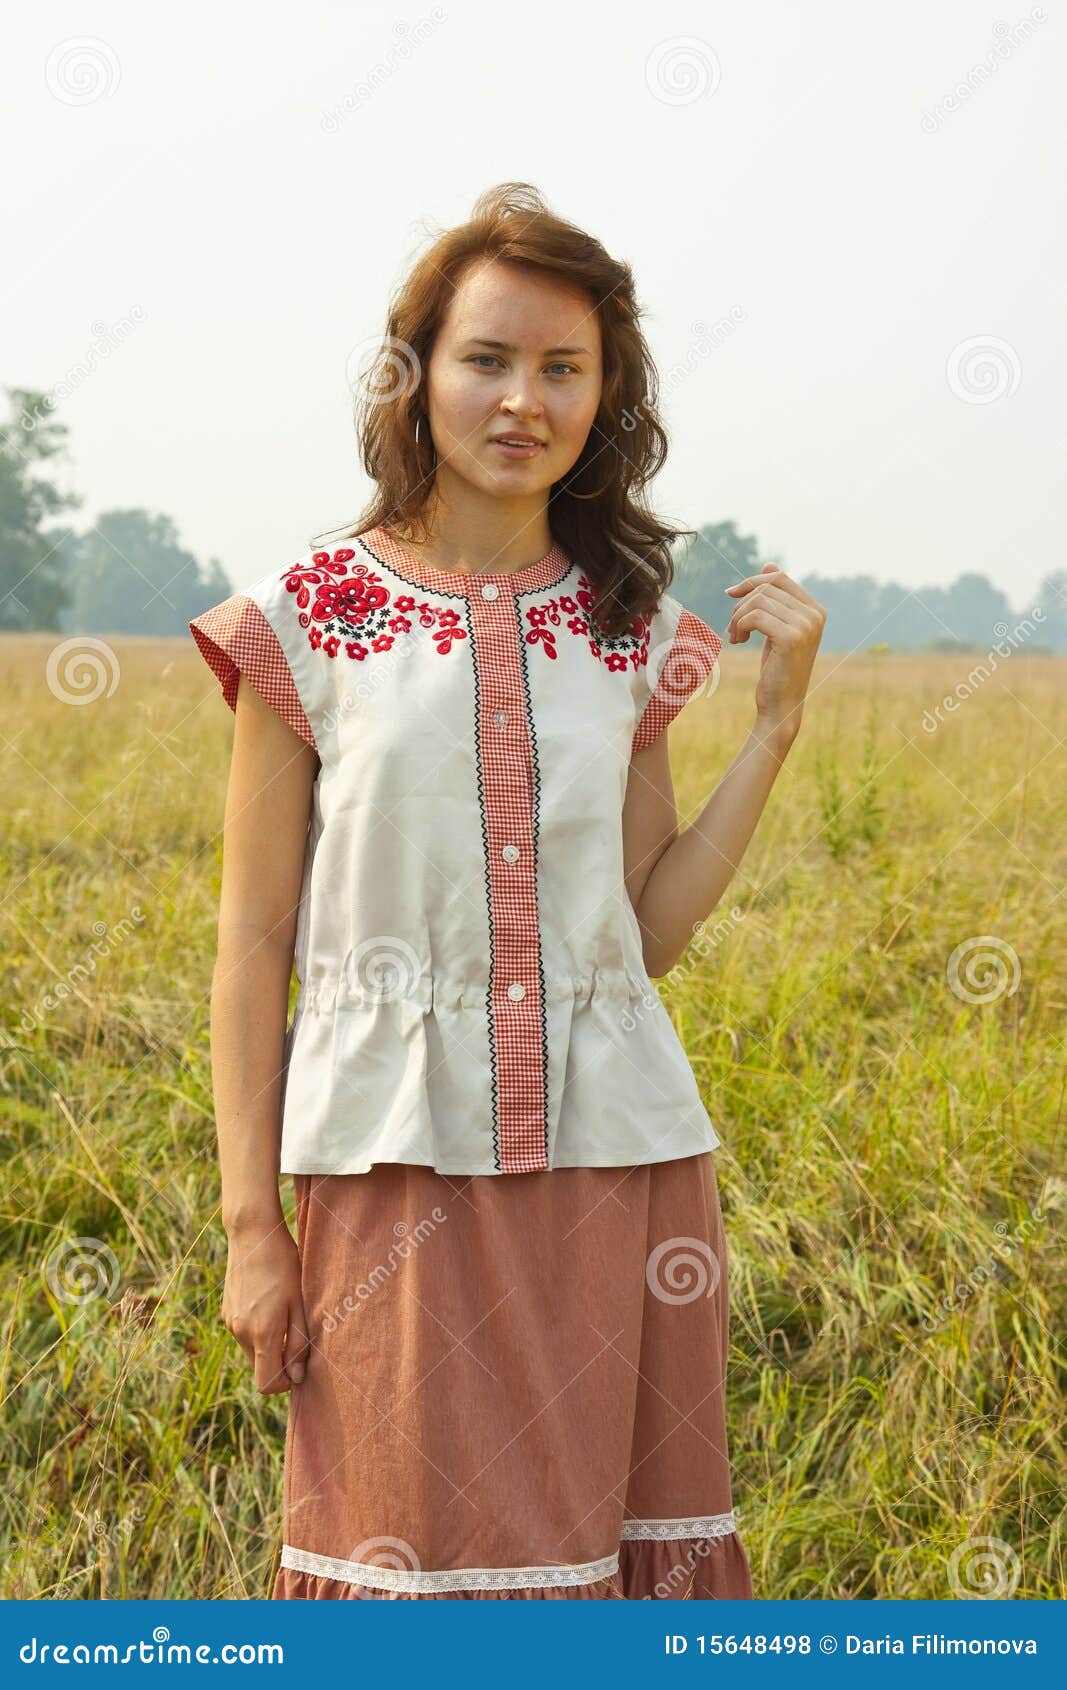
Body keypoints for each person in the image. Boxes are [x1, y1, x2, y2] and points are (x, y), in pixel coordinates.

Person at [188, 182, 825, 1600]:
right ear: (416, 379)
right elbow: (251, 947)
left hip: (622, 1168)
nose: (521, 399)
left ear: (608, 396)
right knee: (399, 1578)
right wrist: (251, 1230)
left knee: (610, 1568)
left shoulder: (629, 634)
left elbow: (641, 934)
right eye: (486, 359)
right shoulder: (308, 620)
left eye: (563, 368)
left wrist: (772, 734)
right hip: (388, 1171)